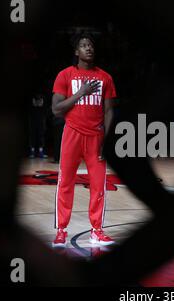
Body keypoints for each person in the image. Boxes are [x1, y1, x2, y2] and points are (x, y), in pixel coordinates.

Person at [51, 33, 117, 247]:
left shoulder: (105, 77)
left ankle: (97, 231)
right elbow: (56, 109)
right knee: (65, 183)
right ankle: (61, 230)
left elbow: (109, 112)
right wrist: (81, 92)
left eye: (91, 45)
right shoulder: (65, 75)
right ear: (76, 52)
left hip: (96, 137)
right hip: (72, 133)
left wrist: (107, 140)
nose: (89, 48)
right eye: (83, 45)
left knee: (99, 186)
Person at [28, 93, 48, 159]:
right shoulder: (31, 105)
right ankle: (32, 152)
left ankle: (41, 152)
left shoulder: (43, 105)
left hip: (41, 123)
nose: (38, 101)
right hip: (33, 122)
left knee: (41, 136)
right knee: (32, 136)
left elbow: (44, 111)